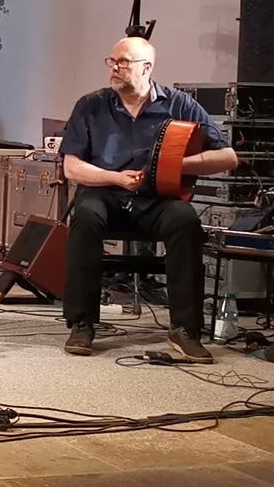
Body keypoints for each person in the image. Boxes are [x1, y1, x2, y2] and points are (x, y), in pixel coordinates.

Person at [59, 36, 237, 363]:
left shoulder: (180, 104)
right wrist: (115, 178)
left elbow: (228, 157)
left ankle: (185, 329)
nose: (114, 68)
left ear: (147, 67)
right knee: (85, 215)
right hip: (105, 193)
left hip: (156, 198)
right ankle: (82, 323)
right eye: (112, 61)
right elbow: (71, 167)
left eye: (123, 62)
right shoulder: (91, 104)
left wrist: (174, 164)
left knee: (185, 220)